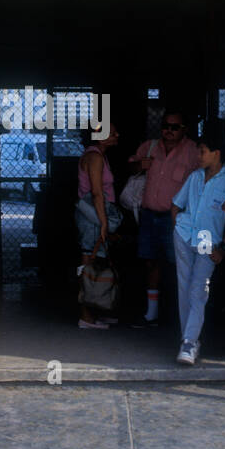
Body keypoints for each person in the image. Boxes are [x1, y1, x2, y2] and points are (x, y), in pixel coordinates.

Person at [171, 121, 225, 365]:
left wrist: (224, 247)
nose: (198, 156)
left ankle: (189, 343)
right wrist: (178, 226)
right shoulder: (195, 177)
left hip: (208, 242)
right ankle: (187, 339)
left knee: (198, 290)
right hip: (185, 235)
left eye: (202, 151)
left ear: (216, 153)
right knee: (183, 288)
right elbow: (176, 205)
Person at [130, 110, 200, 326]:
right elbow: (130, 166)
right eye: (165, 126)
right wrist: (139, 165)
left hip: (177, 219)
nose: (169, 131)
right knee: (151, 263)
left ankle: (176, 315)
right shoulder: (149, 147)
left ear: (184, 129)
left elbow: (202, 181)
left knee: (178, 265)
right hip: (149, 216)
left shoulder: (193, 152)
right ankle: (151, 314)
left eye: (174, 127)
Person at [75, 123, 122, 329]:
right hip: (93, 217)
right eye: (112, 132)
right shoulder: (94, 157)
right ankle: (86, 316)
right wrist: (103, 223)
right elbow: (96, 193)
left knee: (95, 261)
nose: (117, 134)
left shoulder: (99, 155)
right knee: (89, 261)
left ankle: (94, 311)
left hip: (96, 216)